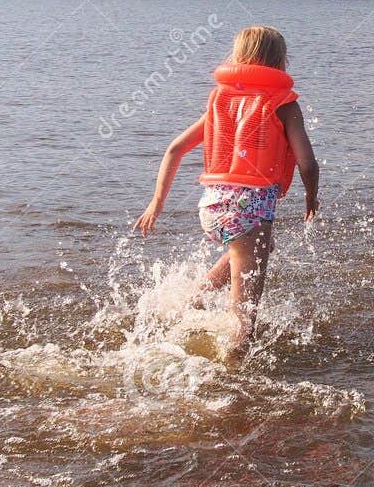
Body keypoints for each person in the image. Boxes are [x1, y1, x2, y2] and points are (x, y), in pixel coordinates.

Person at [134, 25, 320, 358]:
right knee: (245, 317)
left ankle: (191, 302)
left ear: (238, 58)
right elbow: (307, 162)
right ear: (281, 61)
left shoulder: (222, 101)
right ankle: (232, 373)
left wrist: (156, 203)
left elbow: (175, 149)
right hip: (248, 209)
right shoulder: (284, 104)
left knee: (258, 245)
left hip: (212, 205)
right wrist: (311, 196)